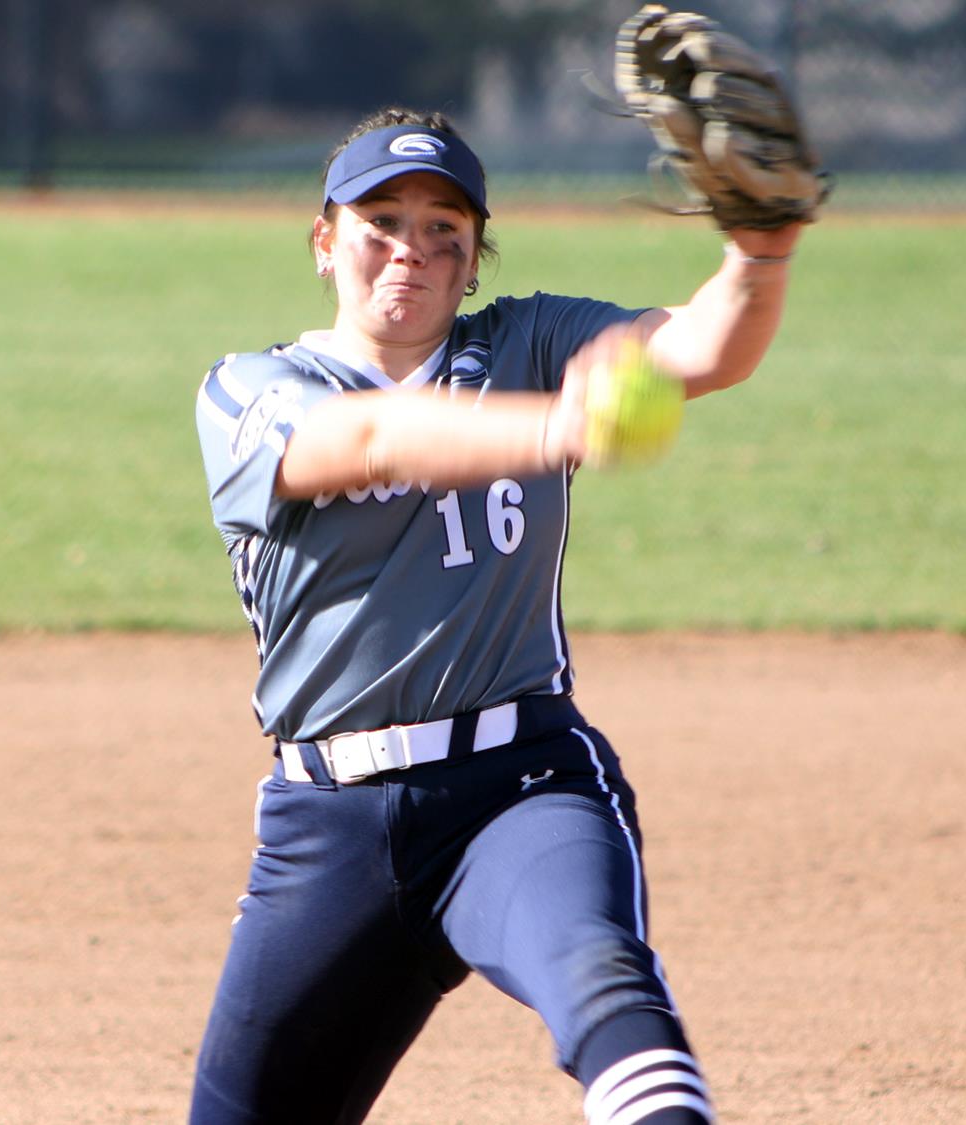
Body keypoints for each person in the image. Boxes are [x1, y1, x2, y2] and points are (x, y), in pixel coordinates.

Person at [190, 106, 803, 1125]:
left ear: (475, 260)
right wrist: (567, 422)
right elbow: (376, 438)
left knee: (602, 984)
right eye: (380, 220)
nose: (410, 250)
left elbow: (703, 349)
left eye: (444, 230)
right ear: (323, 240)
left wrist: (759, 251)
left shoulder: (530, 338)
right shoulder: (250, 390)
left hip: (516, 789)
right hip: (327, 828)